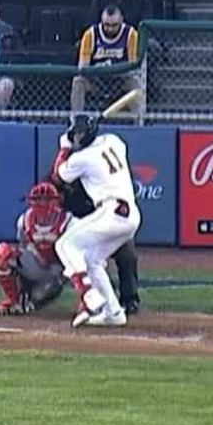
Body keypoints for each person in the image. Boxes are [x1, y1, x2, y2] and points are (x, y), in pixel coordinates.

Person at [51, 113, 141, 328]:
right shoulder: (114, 141)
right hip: (129, 215)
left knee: (64, 244)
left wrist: (64, 147)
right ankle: (113, 312)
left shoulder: (82, 159)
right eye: (76, 134)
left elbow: (58, 176)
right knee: (92, 261)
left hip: (112, 211)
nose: (78, 138)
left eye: (80, 134)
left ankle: (88, 294)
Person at [0, 181, 73, 315]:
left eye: (46, 200)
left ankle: (90, 304)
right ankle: (14, 300)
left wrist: (65, 273)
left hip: (59, 270)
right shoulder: (24, 220)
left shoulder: (69, 221)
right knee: (3, 253)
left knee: (38, 298)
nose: (42, 204)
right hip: (36, 264)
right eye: (38, 200)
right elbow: (23, 247)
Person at [71, 4, 142, 114]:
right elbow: (83, 67)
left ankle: (139, 120)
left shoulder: (131, 34)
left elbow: (133, 66)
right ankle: (76, 118)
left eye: (114, 25)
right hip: (97, 80)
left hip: (120, 80)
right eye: (107, 25)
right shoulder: (91, 34)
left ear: (122, 21)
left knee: (135, 82)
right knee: (78, 81)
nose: (110, 28)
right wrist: (99, 69)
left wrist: (113, 68)